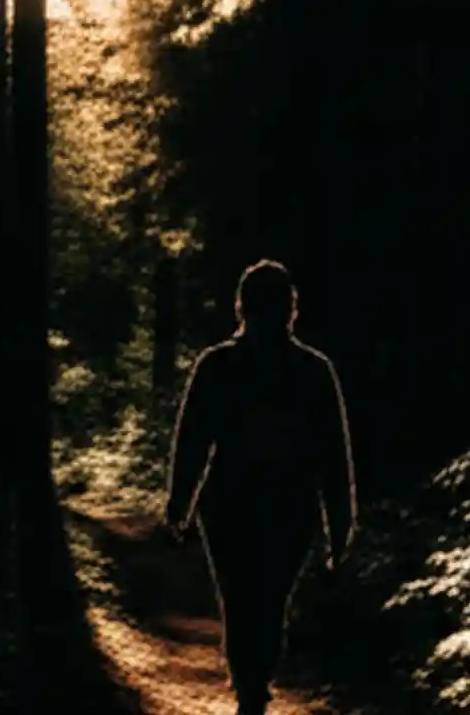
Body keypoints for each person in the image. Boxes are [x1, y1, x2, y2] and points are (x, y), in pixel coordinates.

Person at [164, 259, 357, 715]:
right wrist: (340, 520)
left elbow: (193, 440)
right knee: (269, 598)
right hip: (290, 504)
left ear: (241, 307)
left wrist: (180, 504)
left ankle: (249, 686)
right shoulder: (313, 370)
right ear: (291, 308)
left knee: (240, 598)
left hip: (229, 501)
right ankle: (255, 685)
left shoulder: (218, 364)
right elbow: (333, 453)